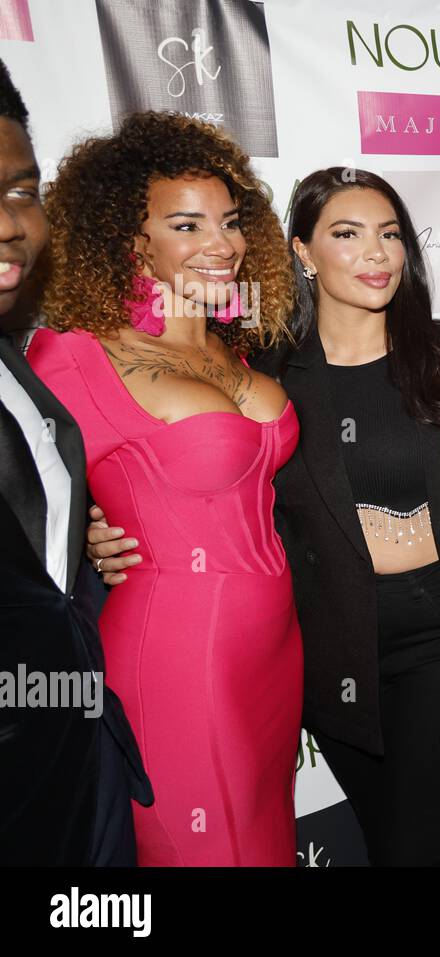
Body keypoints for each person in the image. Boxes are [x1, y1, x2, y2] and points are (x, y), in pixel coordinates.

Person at [92, 168, 440, 866]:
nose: (378, 253)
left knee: (412, 851)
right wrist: (106, 525)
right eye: (348, 234)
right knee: (381, 838)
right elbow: (208, 480)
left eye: (391, 235)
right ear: (302, 250)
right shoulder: (263, 380)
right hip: (329, 653)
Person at [27, 111, 300, 866]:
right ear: (132, 238)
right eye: (188, 225)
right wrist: (75, 534)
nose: (224, 244)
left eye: (230, 220)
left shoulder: (229, 344)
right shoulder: (78, 357)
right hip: (179, 657)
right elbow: (22, 489)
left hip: (274, 656)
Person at [0, 58, 150, 866]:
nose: (7, 223)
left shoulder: (20, 364)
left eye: (22, 192)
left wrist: (78, 533)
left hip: (88, 751)